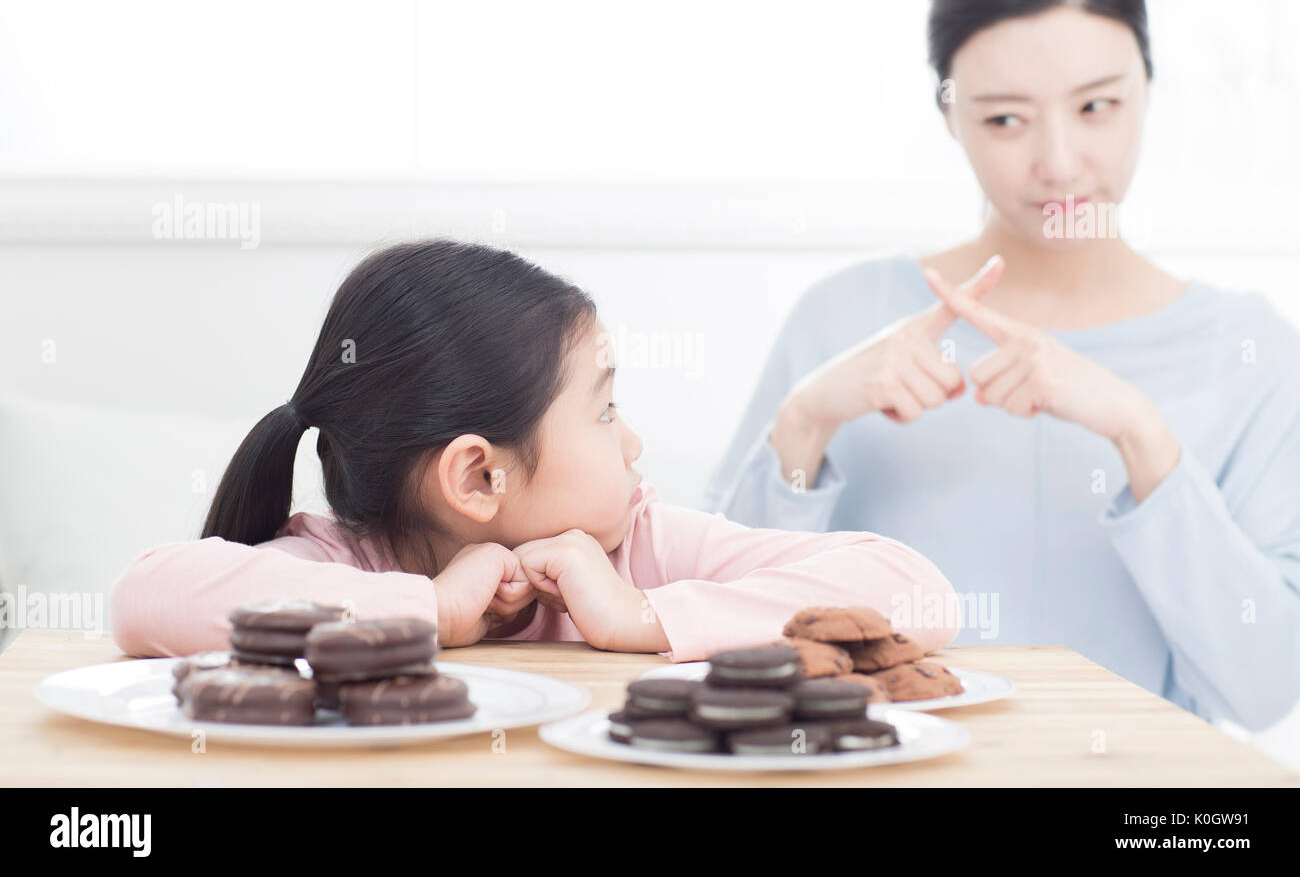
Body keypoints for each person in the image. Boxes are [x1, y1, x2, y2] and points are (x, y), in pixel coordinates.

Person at [702, 0, 1300, 732]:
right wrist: (803, 425)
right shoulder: (842, 319)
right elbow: (721, 643)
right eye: (1006, 120)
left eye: (1097, 106)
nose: (1059, 163)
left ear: (1148, 88)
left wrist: (1143, 437)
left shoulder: (1249, 350)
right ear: (951, 115)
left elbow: (1265, 690)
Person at [109, 239, 959, 664]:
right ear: (481, 475)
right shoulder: (346, 565)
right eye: (606, 412)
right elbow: (148, 595)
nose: (634, 442)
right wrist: (431, 610)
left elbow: (913, 590)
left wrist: (641, 616)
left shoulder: (640, 549)